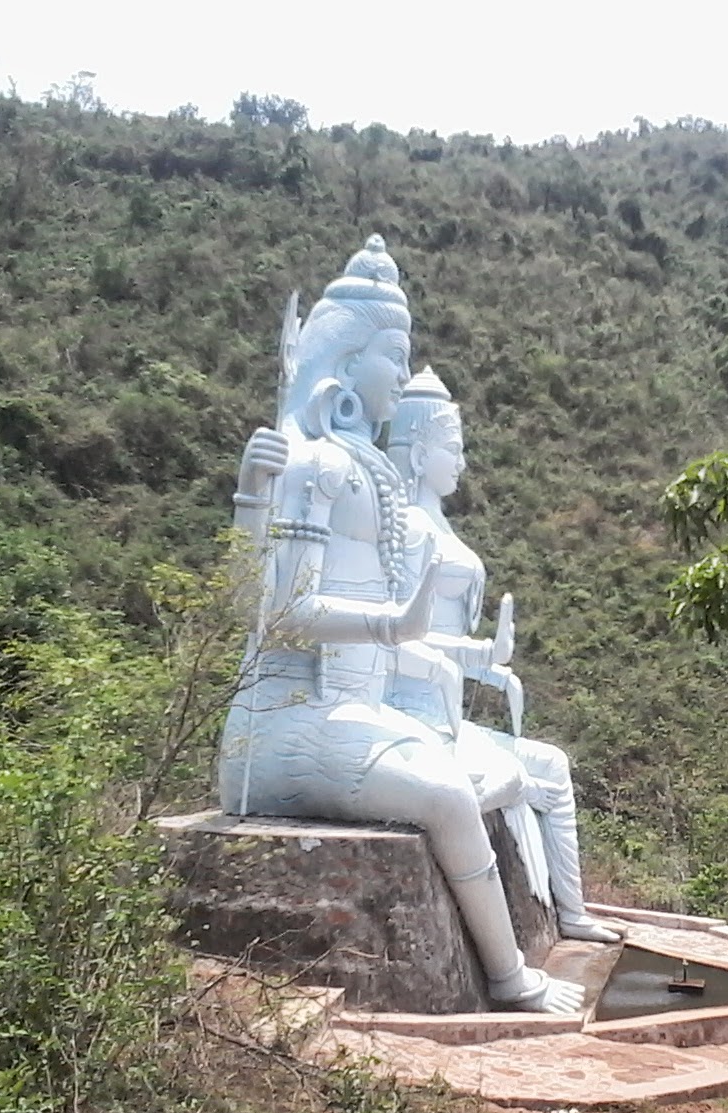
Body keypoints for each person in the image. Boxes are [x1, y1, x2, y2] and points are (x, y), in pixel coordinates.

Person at [218, 236, 583, 1013]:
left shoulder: (354, 465)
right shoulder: (310, 461)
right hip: (284, 724)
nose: (396, 376)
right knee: (449, 796)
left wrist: (424, 647)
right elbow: (273, 612)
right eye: (393, 357)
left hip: (351, 709)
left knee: (492, 770)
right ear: (347, 365)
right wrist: (393, 620)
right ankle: (510, 978)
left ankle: (532, 942)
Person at [385, 367, 620, 944]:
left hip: (444, 708)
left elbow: (439, 643)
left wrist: (487, 657)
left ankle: (570, 911)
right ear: (418, 453)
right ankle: (556, 914)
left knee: (553, 765)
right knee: (536, 770)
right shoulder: (410, 530)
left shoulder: (434, 525)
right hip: (408, 710)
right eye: (452, 449)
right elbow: (393, 636)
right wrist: (472, 650)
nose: (461, 463)